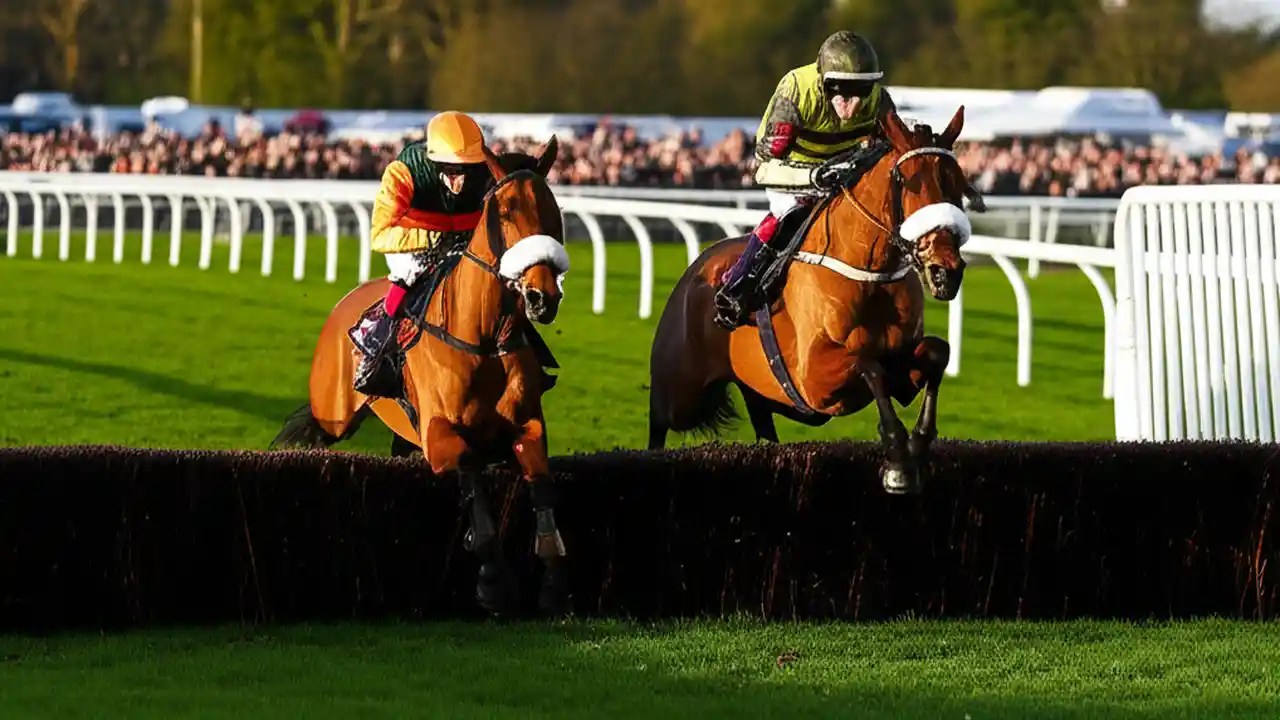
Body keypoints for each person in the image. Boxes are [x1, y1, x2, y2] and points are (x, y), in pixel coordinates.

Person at [713, 31, 899, 330]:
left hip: (843, 169)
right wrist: (812, 176)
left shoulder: (878, 98)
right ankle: (738, 283)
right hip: (789, 167)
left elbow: (894, 147)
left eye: (861, 90)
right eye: (841, 90)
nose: (851, 104)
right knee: (789, 213)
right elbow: (769, 156)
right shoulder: (797, 90)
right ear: (824, 80)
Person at [351, 110, 494, 394]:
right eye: (451, 171)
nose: (460, 182)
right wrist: (428, 237)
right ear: (434, 161)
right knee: (411, 271)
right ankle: (376, 342)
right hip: (411, 241)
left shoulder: (486, 172)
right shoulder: (403, 172)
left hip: (463, 240)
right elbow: (380, 235)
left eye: (466, 171)